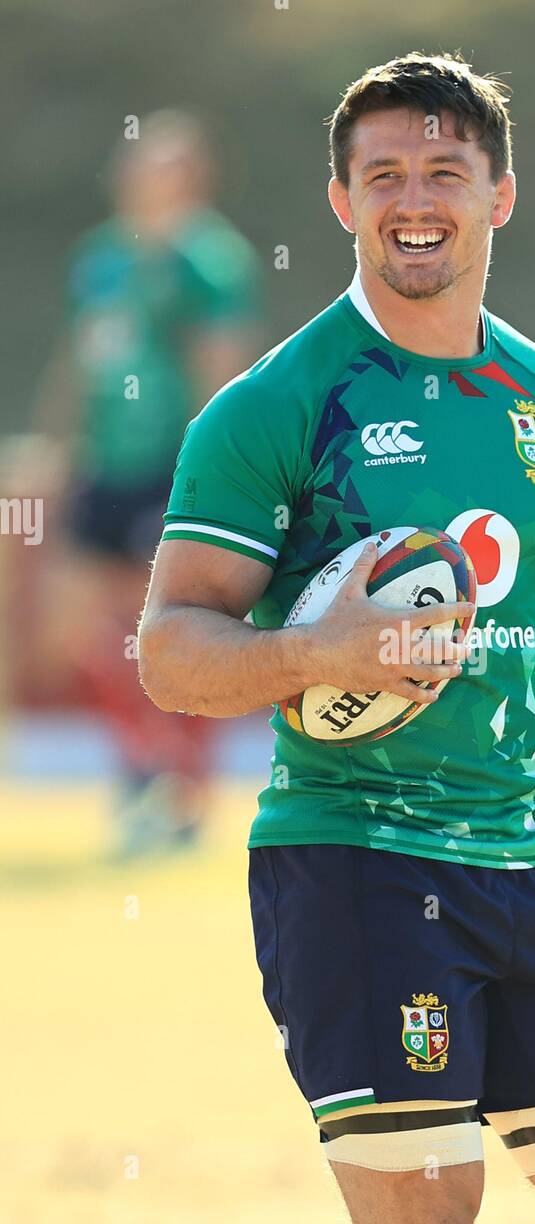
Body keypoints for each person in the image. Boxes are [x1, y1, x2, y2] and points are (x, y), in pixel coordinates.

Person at [139, 53, 535, 1224]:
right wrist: (306, 654)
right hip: (354, 866)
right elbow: (170, 650)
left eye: (444, 170)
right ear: (339, 201)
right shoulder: (276, 407)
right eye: (382, 172)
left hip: (528, 863)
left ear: (499, 194)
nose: (414, 197)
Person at [37, 109, 260, 854]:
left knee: (166, 628)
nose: (136, 177)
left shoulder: (208, 261)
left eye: (156, 166)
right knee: (67, 625)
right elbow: (79, 364)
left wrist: (215, 476)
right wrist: (58, 452)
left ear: (189, 179)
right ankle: (142, 759)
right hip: (105, 465)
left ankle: (186, 788)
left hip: (171, 466)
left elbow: (222, 367)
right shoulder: (98, 260)